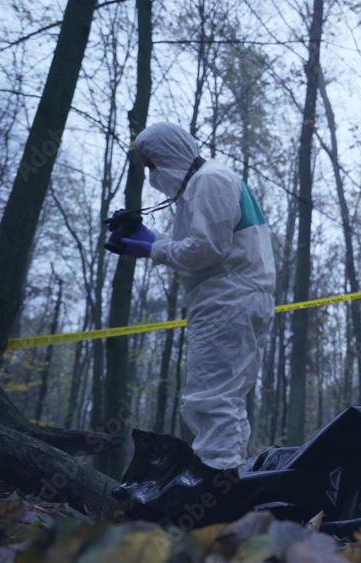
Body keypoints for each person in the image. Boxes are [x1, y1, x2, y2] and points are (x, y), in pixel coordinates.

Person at [120, 122, 275, 470]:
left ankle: (217, 488)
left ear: (168, 154)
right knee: (221, 396)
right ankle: (223, 484)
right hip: (232, 295)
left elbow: (208, 250)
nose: (153, 174)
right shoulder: (205, 183)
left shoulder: (210, 180)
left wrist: (155, 249)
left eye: (152, 164)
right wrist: (152, 239)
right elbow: (214, 245)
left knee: (213, 398)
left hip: (228, 299)